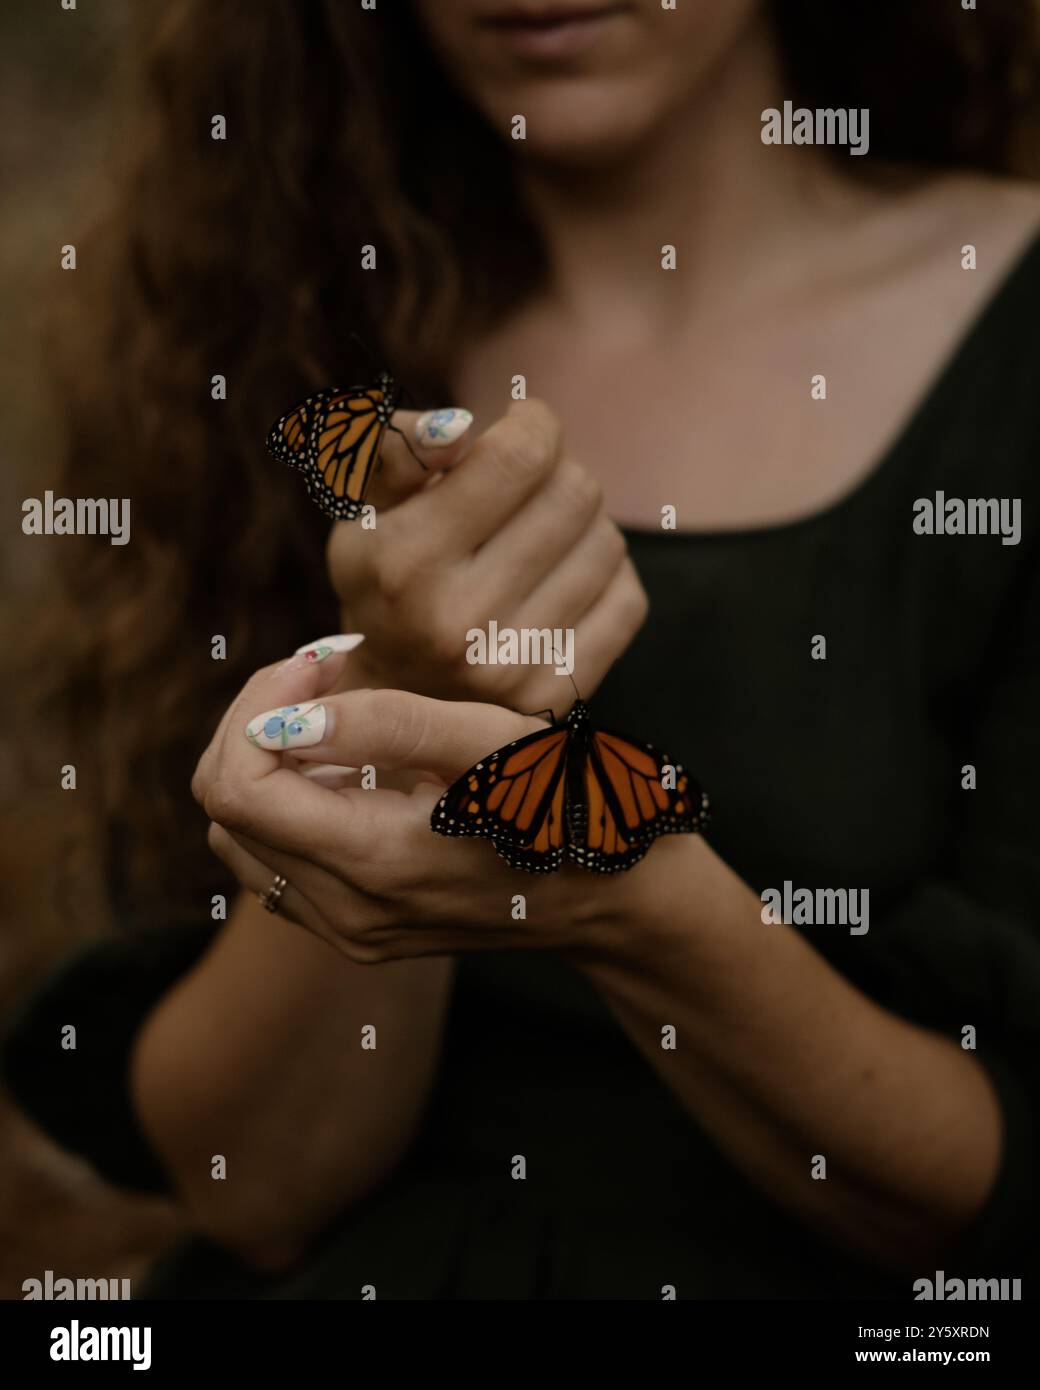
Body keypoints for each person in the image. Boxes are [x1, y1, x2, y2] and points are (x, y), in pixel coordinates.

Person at [5, 0, 1040, 1298]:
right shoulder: (282, 322)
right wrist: (403, 703)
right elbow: (250, 1188)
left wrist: (630, 909)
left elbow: (981, 1205)